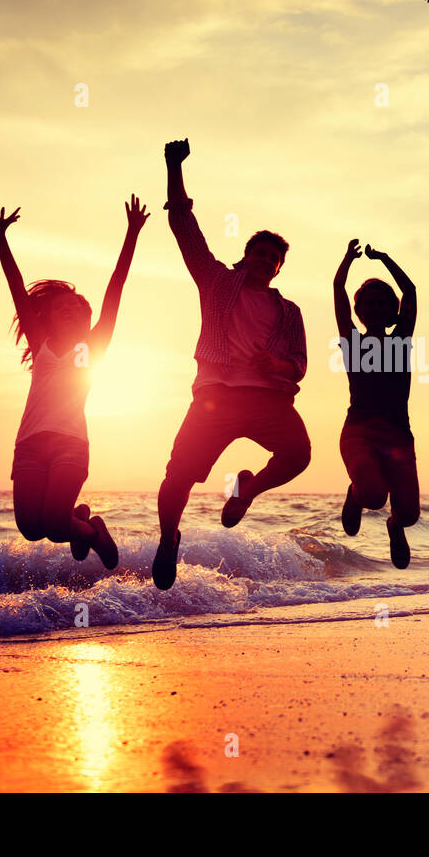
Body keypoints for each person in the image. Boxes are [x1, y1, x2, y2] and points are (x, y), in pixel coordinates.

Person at [153, 138, 311, 591]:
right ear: (246, 255)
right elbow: (184, 227)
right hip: (215, 398)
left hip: (268, 400)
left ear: (279, 269)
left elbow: (299, 366)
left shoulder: (290, 312)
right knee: (177, 475)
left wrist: (274, 364)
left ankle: (247, 491)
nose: (265, 261)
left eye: (273, 259)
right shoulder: (217, 282)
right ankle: (169, 539)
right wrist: (174, 167)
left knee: (298, 455)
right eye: (259, 253)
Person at [0, 196, 148, 568]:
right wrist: (0, 238)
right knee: (32, 529)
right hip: (29, 445)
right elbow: (16, 289)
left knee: (55, 526)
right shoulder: (40, 343)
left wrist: (132, 233)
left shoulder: (93, 347)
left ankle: (93, 529)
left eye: (79, 306)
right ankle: (81, 522)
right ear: (47, 315)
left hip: (70, 444)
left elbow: (116, 285)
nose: (72, 309)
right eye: (62, 306)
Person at [333, 238, 420, 568]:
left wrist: (385, 257)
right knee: (373, 496)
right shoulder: (351, 341)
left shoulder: (402, 338)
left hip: (399, 436)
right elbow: (338, 290)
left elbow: (410, 290)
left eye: (382, 303)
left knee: (410, 515)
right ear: (359, 311)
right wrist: (347, 261)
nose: (374, 308)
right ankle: (354, 494)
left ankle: (395, 526)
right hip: (359, 432)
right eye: (367, 303)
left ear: (393, 310)